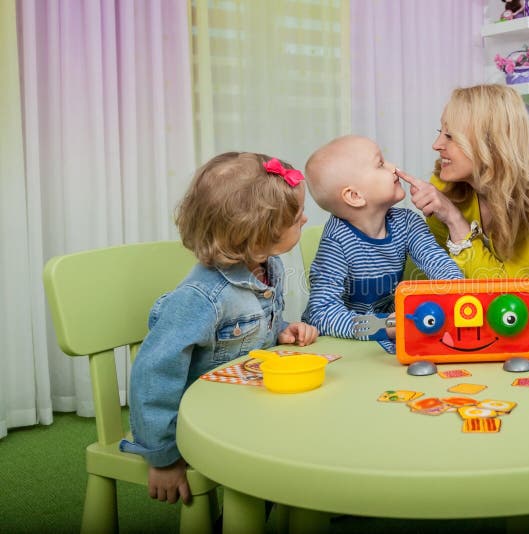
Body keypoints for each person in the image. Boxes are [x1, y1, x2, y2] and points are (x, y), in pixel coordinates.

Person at [120, 152, 319, 506]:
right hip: (205, 422)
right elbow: (153, 374)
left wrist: (281, 330)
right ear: (256, 237)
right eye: (296, 218)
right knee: (284, 450)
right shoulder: (200, 298)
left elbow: (247, 331)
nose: (305, 218)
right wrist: (162, 457)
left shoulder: (267, 266)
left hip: (245, 403)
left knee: (312, 417)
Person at [302, 135, 463, 352]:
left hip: (392, 334)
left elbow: (440, 265)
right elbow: (321, 313)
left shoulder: (408, 223)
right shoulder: (336, 241)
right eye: (380, 164)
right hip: (347, 344)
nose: (393, 167)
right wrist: (382, 326)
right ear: (355, 196)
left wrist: (456, 297)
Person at [397, 84, 529, 279]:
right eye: (440, 131)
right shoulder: (443, 188)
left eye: (450, 136)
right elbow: (439, 275)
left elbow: (511, 289)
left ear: (492, 143)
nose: (436, 145)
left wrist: (455, 221)